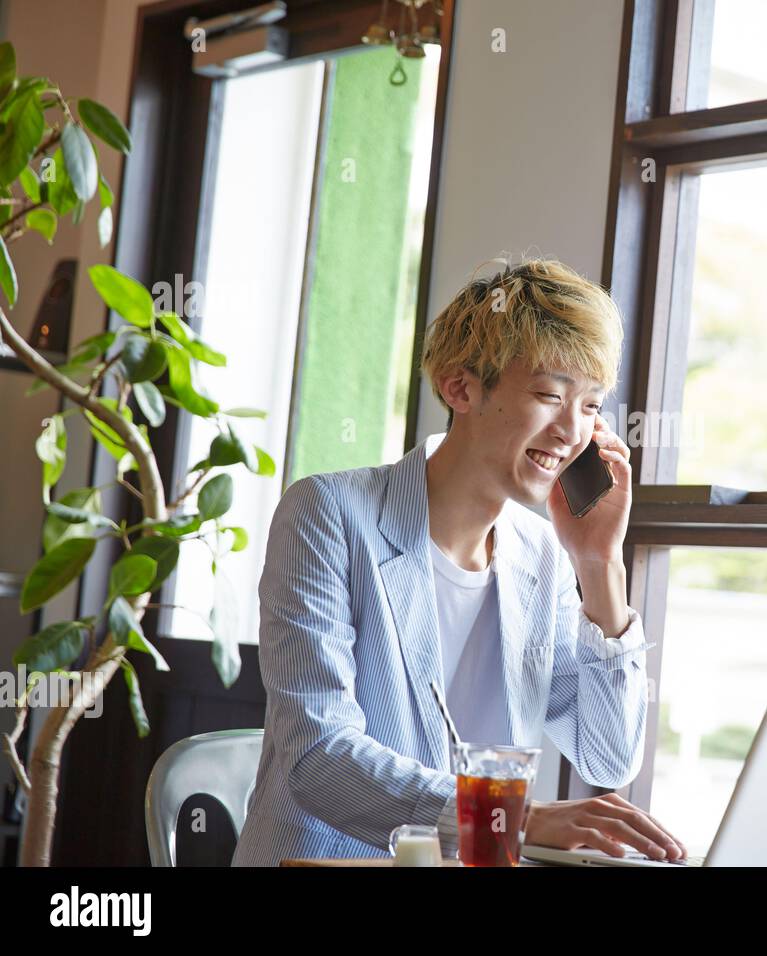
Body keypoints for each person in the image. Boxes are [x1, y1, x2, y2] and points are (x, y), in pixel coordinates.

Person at [232, 258, 686, 865]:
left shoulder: (541, 554)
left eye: (591, 406)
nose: (571, 431)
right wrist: (511, 819)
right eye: (551, 395)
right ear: (460, 387)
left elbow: (607, 756)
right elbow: (318, 756)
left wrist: (600, 563)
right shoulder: (328, 514)